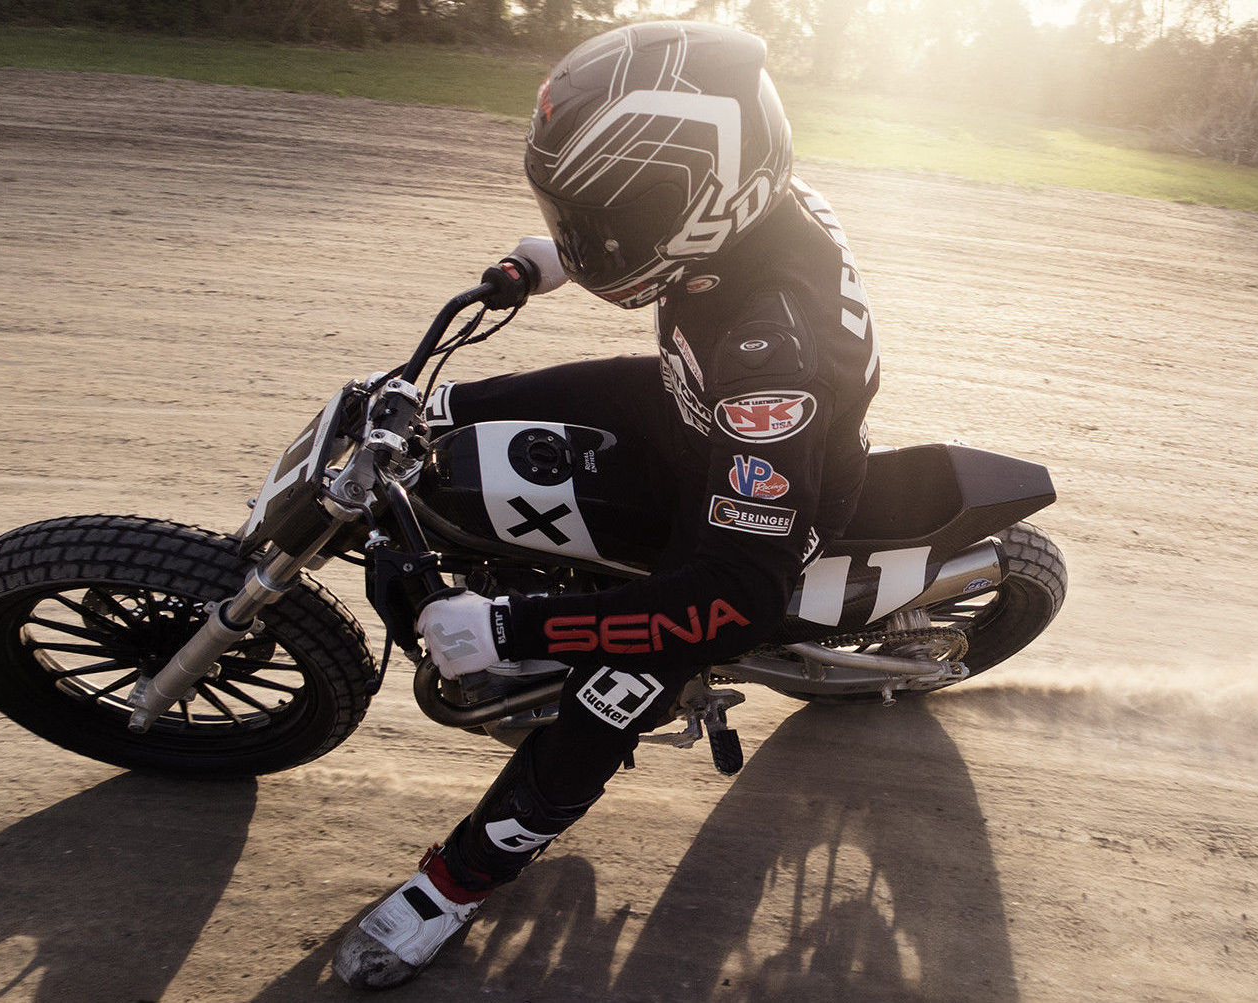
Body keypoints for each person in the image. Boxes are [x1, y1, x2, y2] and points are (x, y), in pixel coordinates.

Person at [333, 20, 880, 989]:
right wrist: (559, 259)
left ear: (702, 199)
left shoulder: (770, 357)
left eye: (602, 220)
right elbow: (686, 327)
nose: (587, 240)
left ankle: (457, 886)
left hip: (746, 508)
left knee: (610, 693)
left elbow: (737, 593)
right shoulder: (754, 222)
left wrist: (510, 625)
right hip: (695, 404)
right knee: (444, 411)